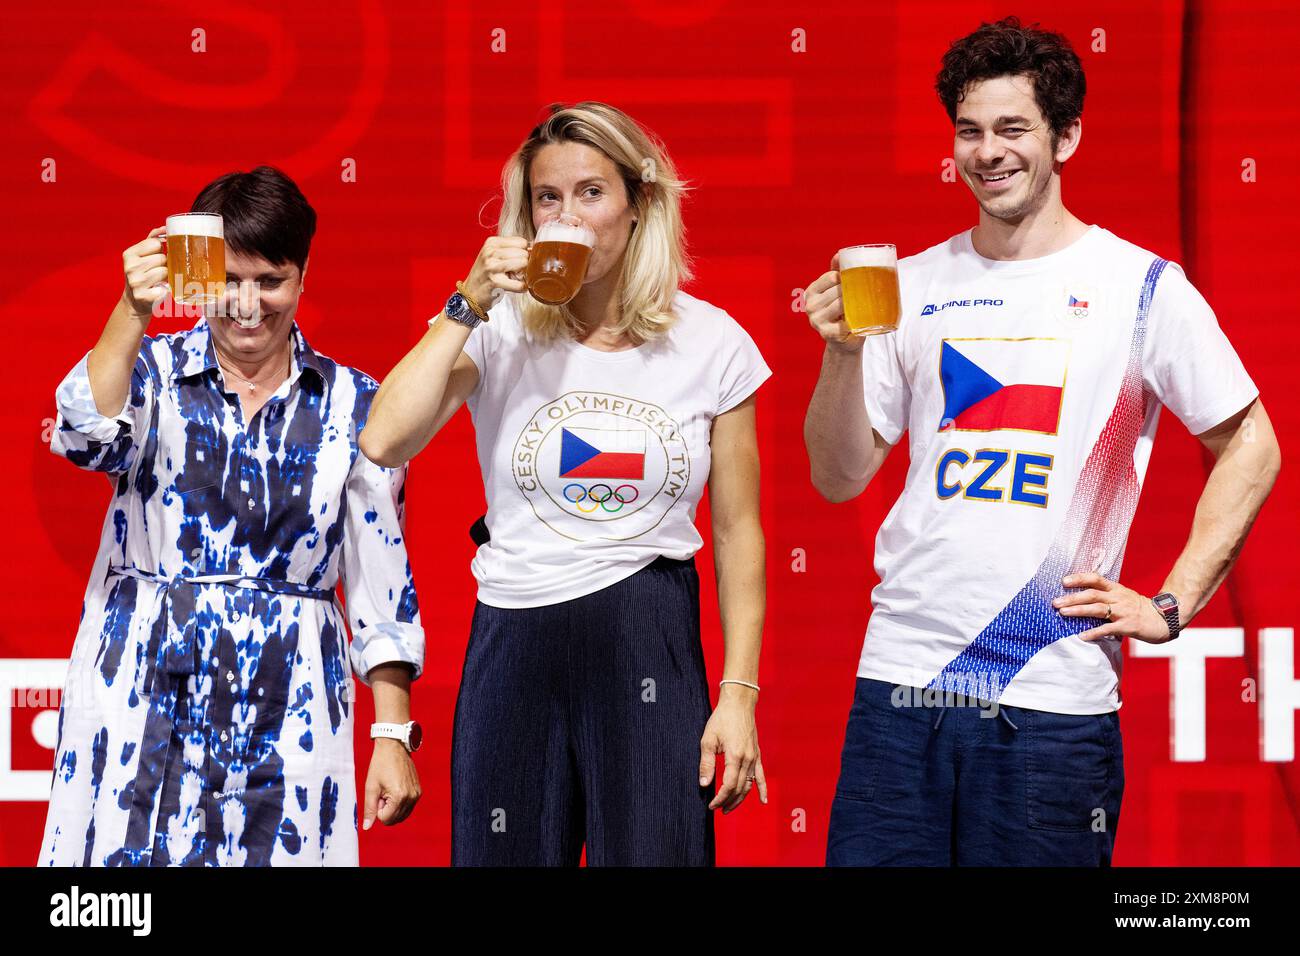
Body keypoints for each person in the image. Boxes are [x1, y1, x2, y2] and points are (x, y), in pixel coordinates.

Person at [802, 17, 1281, 866]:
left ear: (1067, 137)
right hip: (899, 686)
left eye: (1014, 129)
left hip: (1051, 703)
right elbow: (838, 477)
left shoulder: (1141, 288)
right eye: (971, 131)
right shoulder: (908, 284)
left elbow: (1253, 444)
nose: (989, 153)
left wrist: (1170, 604)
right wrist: (843, 351)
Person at [361, 102, 771, 866]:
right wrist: (469, 300)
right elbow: (384, 437)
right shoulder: (500, 325)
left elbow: (738, 529)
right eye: (548, 198)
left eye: (590, 193)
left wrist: (739, 693)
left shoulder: (714, 341)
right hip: (515, 634)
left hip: (648, 632)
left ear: (638, 203)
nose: (568, 215)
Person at [40, 166, 426, 866]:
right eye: (230, 279)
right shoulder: (149, 374)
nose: (248, 304)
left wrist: (392, 737)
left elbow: (383, 585)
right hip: (141, 682)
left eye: (271, 280)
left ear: (303, 278)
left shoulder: (359, 405)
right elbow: (83, 434)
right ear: (198, 275)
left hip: (296, 697)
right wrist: (133, 305)